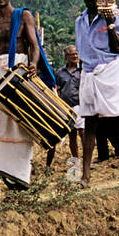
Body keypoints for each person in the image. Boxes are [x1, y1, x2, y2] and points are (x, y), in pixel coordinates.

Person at [0, 0, 53, 190]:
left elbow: (34, 45)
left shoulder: (23, 16)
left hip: (19, 75)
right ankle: (10, 183)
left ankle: (22, 178)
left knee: (22, 124)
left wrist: (34, 64)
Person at [75, 0, 119, 185]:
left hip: (109, 70)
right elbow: (82, 49)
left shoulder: (116, 16)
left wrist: (110, 23)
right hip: (89, 72)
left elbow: (118, 48)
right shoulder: (80, 21)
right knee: (89, 121)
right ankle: (85, 175)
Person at [50, 46, 83, 175]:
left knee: (83, 133)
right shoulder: (60, 73)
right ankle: (76, 162)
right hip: (67, 108)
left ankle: (86, 160)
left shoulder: (82, 70)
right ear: (66, 57)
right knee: (72, 136)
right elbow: (57, 89)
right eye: (72, 54)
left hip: (80, 106)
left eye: (76, 54)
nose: (75, 57)